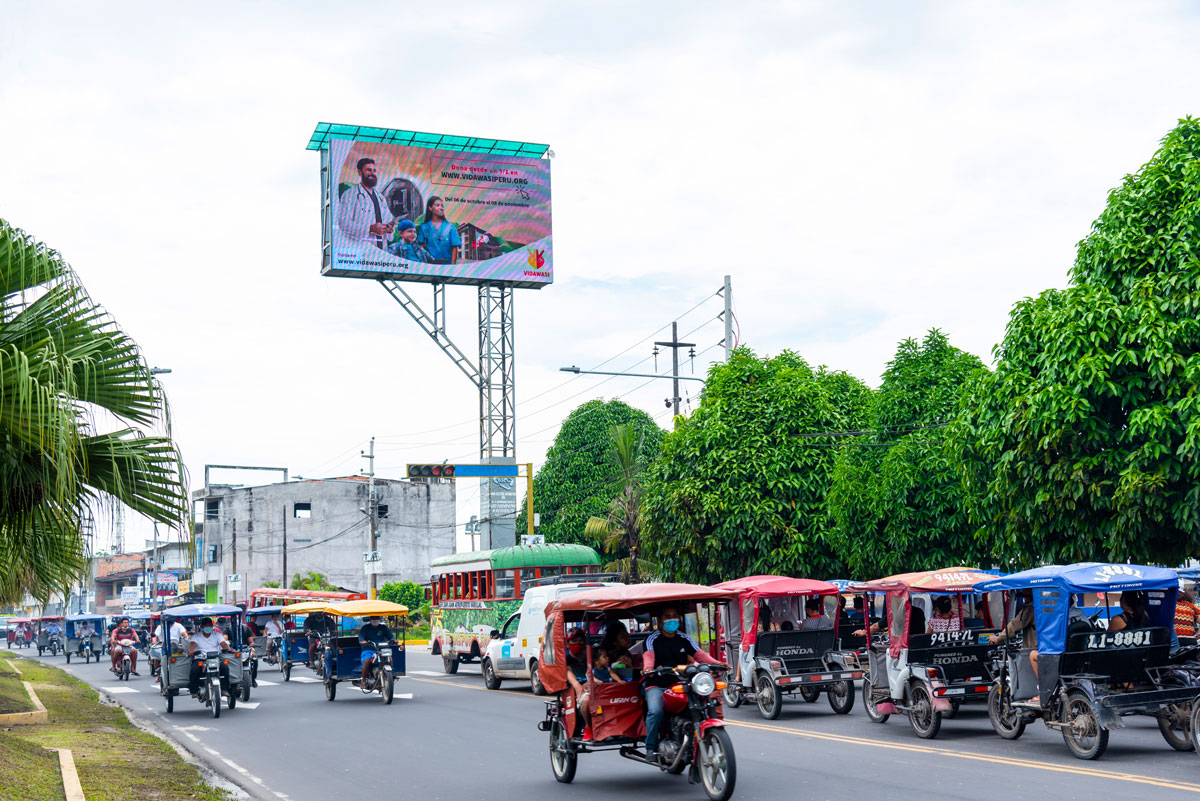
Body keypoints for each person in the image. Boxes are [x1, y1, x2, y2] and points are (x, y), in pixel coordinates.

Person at [642, 606, 719, 761]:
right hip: (657, 684)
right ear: (660, 620)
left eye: (674, 616)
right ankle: (651, 747)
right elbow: (649, 655)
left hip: (681, 683)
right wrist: (648, 667)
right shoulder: (652, 639)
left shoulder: (684, 638)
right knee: (655, 711)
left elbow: (699, 654)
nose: (672, 619)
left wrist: (718, 663)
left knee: (701, 704)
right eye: (667, 616)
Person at [989, 589, 1038, 700]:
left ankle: (1040, 693)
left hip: (1036, 647)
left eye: (1025, 596)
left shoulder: (1030, 609)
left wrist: (999, 638)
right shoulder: (1047, 608)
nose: (1024, 599)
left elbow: (1015, 625)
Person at [336, 156, 394, 249]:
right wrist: (370, 228)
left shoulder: (380, 197)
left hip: (382, 252)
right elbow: (343, 223)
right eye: (368, 170)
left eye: (374, 171)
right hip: (361, 252)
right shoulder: (350, 194)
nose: (372, 173)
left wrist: (390, 229)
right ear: (360, 172)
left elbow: (388, 220)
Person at [187, 617, 231, 696]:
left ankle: (224, 689)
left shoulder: (217, 635)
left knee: (225, 667)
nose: (208, 627)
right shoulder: (196, 636)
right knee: (194, 669)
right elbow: (192, 645)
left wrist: (229, 649)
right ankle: (194, 691)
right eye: (206, 625)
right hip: (201, 659)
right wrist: (191, 651)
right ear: (202, 627)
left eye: (210, 625)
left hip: (215, 658)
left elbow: (223, 644)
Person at [565, 629, 593, 740]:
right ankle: (588, 727)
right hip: (576, 691)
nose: (578, 644)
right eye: (574, 641)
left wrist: (590, 682)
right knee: (587, 700)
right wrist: (578, 687)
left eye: (581, 641)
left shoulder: (590, 658)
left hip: (593, 685)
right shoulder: (566, 660)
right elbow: (568, 673)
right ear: (568, 644)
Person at [416, 196, 461, 265]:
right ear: (430, 208)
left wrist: (452, 267)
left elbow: (454, 248)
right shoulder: (424, 227)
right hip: (430, 266)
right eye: (437, 205)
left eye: (442, 206)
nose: (441, 208)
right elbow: (421, 248)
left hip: (446, 266)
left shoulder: (451, 227)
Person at [358, 616, 392, 687]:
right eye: (373, 619)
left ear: (379, 619)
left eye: (377, 618)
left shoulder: (383, 627)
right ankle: (363, 680)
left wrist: (393, 640)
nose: (375, 620)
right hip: (369, 650)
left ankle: (390, 676)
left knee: (390, 659)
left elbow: (390, 636)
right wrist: (363, 642)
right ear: (370, 620)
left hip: (381, 649)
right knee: (367, 661)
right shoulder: (365, 628)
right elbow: (361, 639)